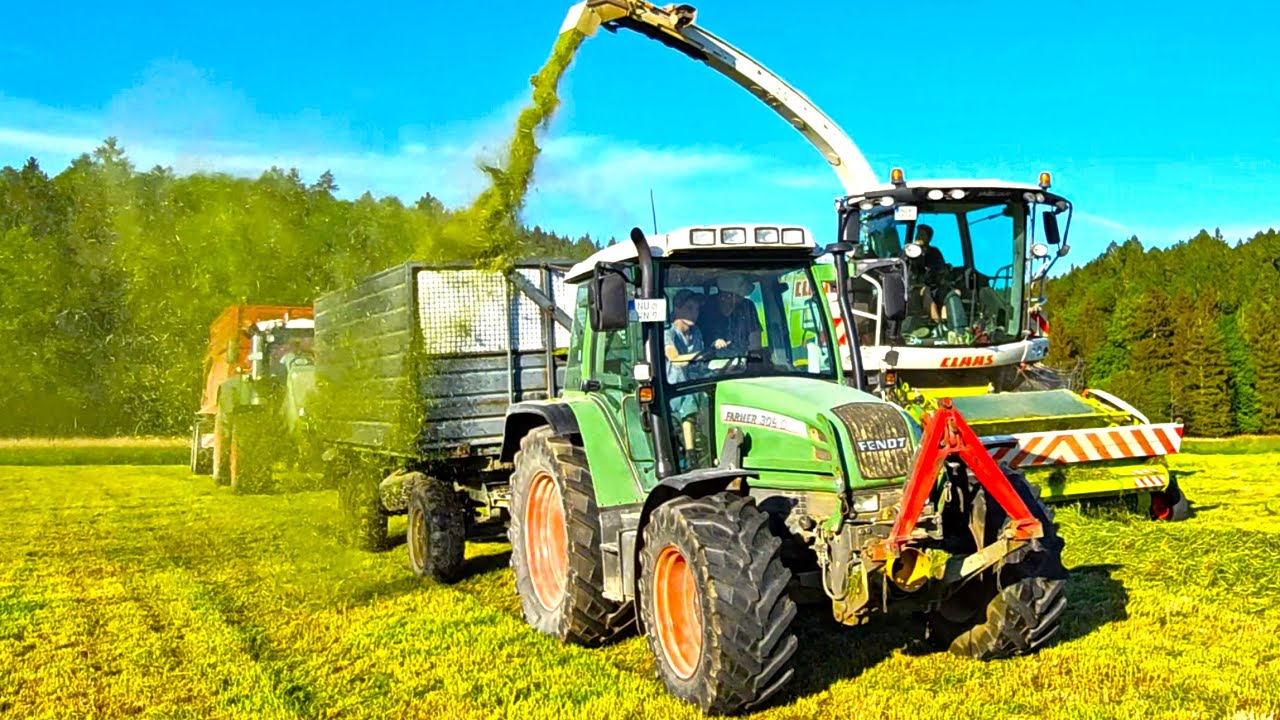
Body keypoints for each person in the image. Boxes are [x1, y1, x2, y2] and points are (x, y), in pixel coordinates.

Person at [664, 290, 707, 458]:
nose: (694, 313)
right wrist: (697, 357)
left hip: (694, 384)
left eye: (696, 309)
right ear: (676, 308)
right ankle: (691, 455)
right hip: (674, 390)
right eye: (689, 308)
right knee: (690, 400)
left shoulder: (696, 333)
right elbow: (674, 358)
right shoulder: (668, 333)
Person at [909, 224, 967, 337]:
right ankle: (936, 324)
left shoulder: (935, 252)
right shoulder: (909, 252)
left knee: (951, 294)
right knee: (926, 292)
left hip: (936, 286)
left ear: (929, 238)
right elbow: (910, 271)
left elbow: (941, 269)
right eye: (918, 233)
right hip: (916, 288)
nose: (919, 236)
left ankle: (953, 329)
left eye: (923, 234)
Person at [700, 273, 762, 354]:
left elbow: (755, 337)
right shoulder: (706, 306)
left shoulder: (747, 306)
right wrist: (713, 342)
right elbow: (697, 340)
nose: (736, 300)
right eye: (729, 296)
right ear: (723, 294)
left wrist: (754, 358)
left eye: (740, 296)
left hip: (743, 359)